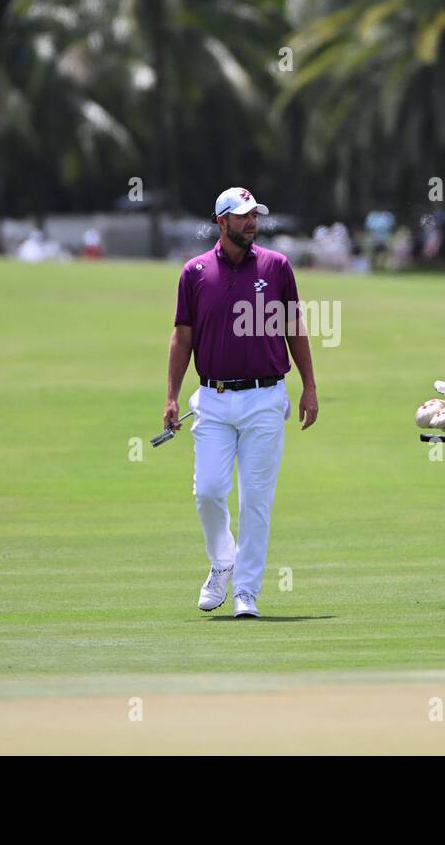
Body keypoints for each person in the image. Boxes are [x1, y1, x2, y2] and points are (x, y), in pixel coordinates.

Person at [163, 187, 320, 619]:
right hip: (212, 400)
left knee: (256, 500)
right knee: (208, 492)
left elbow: (295, 327)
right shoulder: (194, 272)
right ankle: (222, 560)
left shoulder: (277, 266)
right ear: (222, 222)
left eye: (254, 216)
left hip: (266, 397)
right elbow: (183, 337)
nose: (252, 222)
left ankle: (246, 592)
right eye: (242, 216)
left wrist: (309, 385)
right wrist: (172, 396)